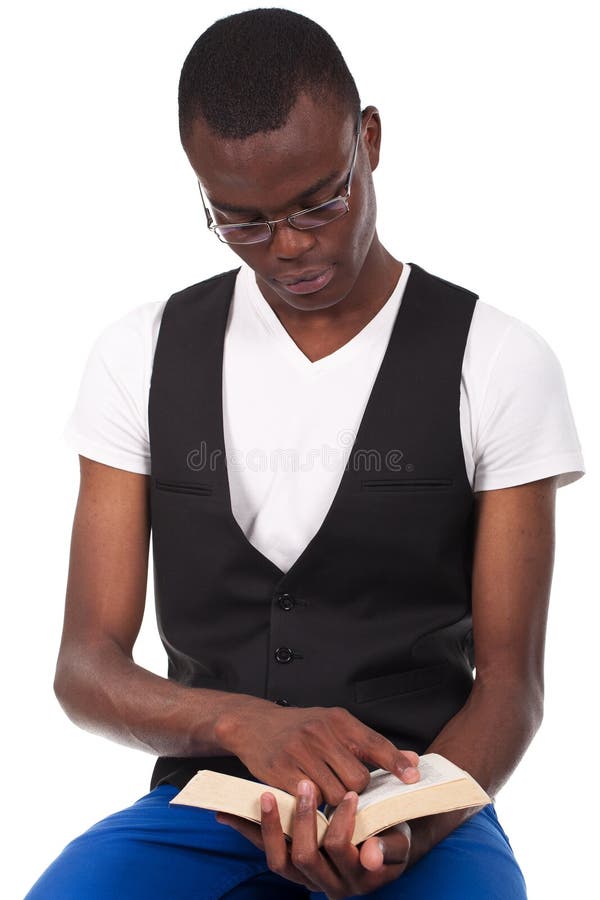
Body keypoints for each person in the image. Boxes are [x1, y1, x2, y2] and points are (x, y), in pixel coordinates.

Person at [26, 8, 585, 899]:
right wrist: (241, 724)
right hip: (207, 809)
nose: (289, 248)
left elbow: (512, 688)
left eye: (319, 203)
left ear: (370, 140)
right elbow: (85, 666)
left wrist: (408, 828)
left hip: (420, 799)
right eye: (240, 221)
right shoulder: (140, 354)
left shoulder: (498, 360)